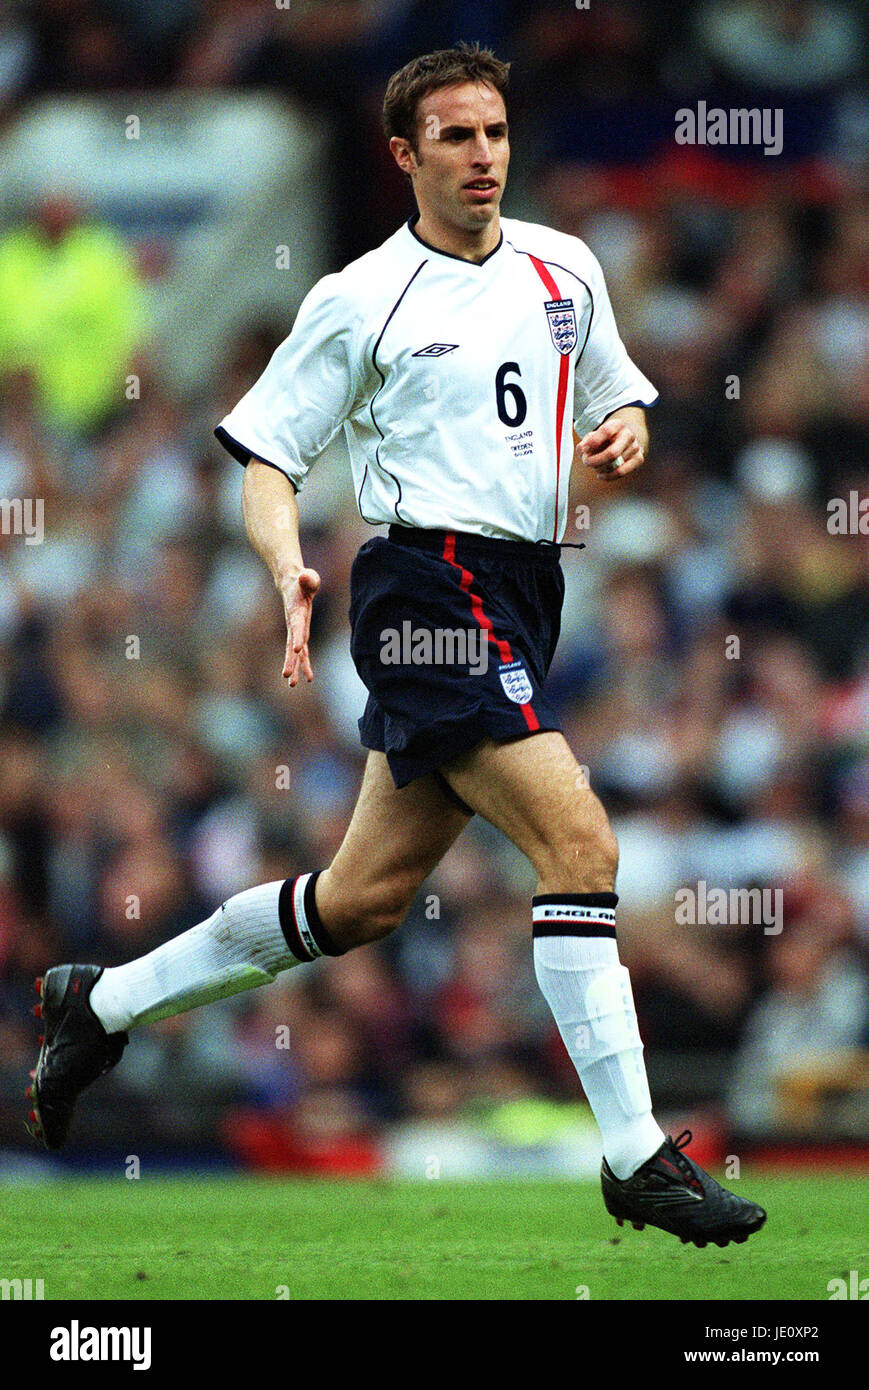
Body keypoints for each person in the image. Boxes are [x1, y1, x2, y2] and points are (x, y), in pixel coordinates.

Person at [29, 44, 765, 1249]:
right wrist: (283, 566)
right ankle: (636, 1153)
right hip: (424, 587)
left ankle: (98, 1002)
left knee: (361, 900)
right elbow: (267, 457)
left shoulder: (563, 265)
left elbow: (614, 394)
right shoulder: (360, 296)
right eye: (456, 138)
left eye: (495, 133)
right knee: (577, 839)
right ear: (404, 155)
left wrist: (625, 426)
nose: (483, 156)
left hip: (525, 586)